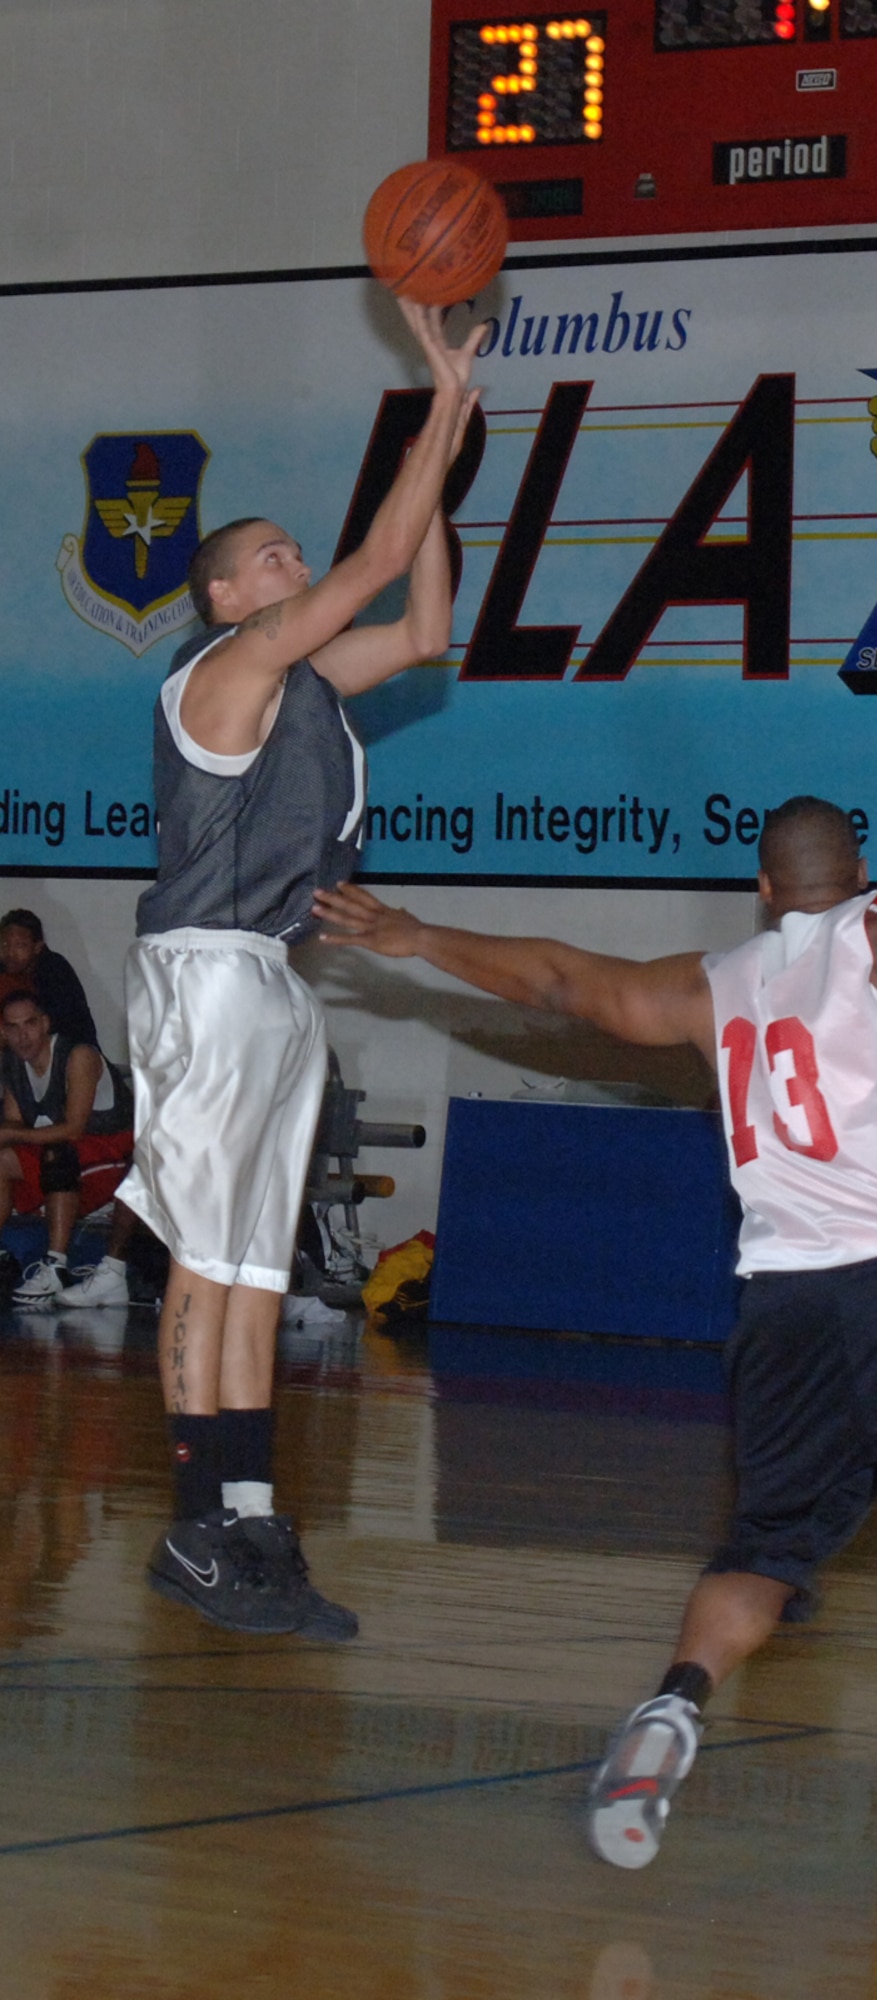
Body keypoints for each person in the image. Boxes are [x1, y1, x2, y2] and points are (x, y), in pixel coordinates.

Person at [312, 797, 877, 1956]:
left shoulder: (718, 980)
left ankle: (671, 1704)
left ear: (761, 883)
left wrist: (417, 934)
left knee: (764, 1545)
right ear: (862, 873)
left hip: (787, 1307)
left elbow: (559, 978)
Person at [116, 298, 481, 1643]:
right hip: (205, 973)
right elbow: (382, 552)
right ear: (227, 597)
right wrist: (433, 406)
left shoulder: (310, 684)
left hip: (274, 978)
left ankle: (258, 1522)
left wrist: (437, 462)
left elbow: (427, 617)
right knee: (206, 1265)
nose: (294, 563)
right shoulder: (220, 674)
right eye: (274, 557)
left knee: (259, 1269)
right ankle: (193, 1524)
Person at [0, 989, 133, 1305]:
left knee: (56, 1151)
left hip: (116, 1153)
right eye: (13, 1027)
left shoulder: (78, 1056)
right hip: (74, 1156)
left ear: (45, 1023)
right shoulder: (14, 1066)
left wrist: (8, 1133)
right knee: (3, 1159)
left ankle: (55, 1264)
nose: (23, 1035)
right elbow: (15, 1125)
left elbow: (73, 1130)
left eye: (30, 1024)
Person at [0, 909, 99, 1047]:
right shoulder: (5, 967)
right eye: (5, 944)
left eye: (20, 945)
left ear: (37, 947)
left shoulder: (55, 970)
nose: (10, 953)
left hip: (72, 1055)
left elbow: (53, 1027)